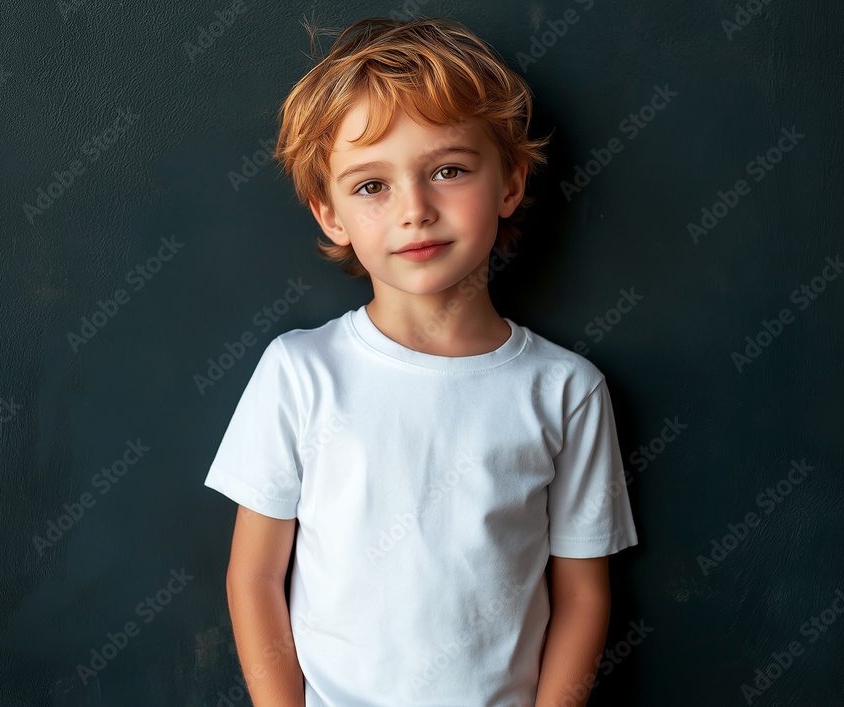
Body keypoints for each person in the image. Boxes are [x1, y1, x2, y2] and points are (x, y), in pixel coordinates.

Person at [203, 15, 638, 707]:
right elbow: (253, 576)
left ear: (510, 184)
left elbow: (583, 592)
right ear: (331, 214)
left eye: (448, 170)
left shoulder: (566, 391)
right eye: (371, 185)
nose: (416, 209)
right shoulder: (299, 373)